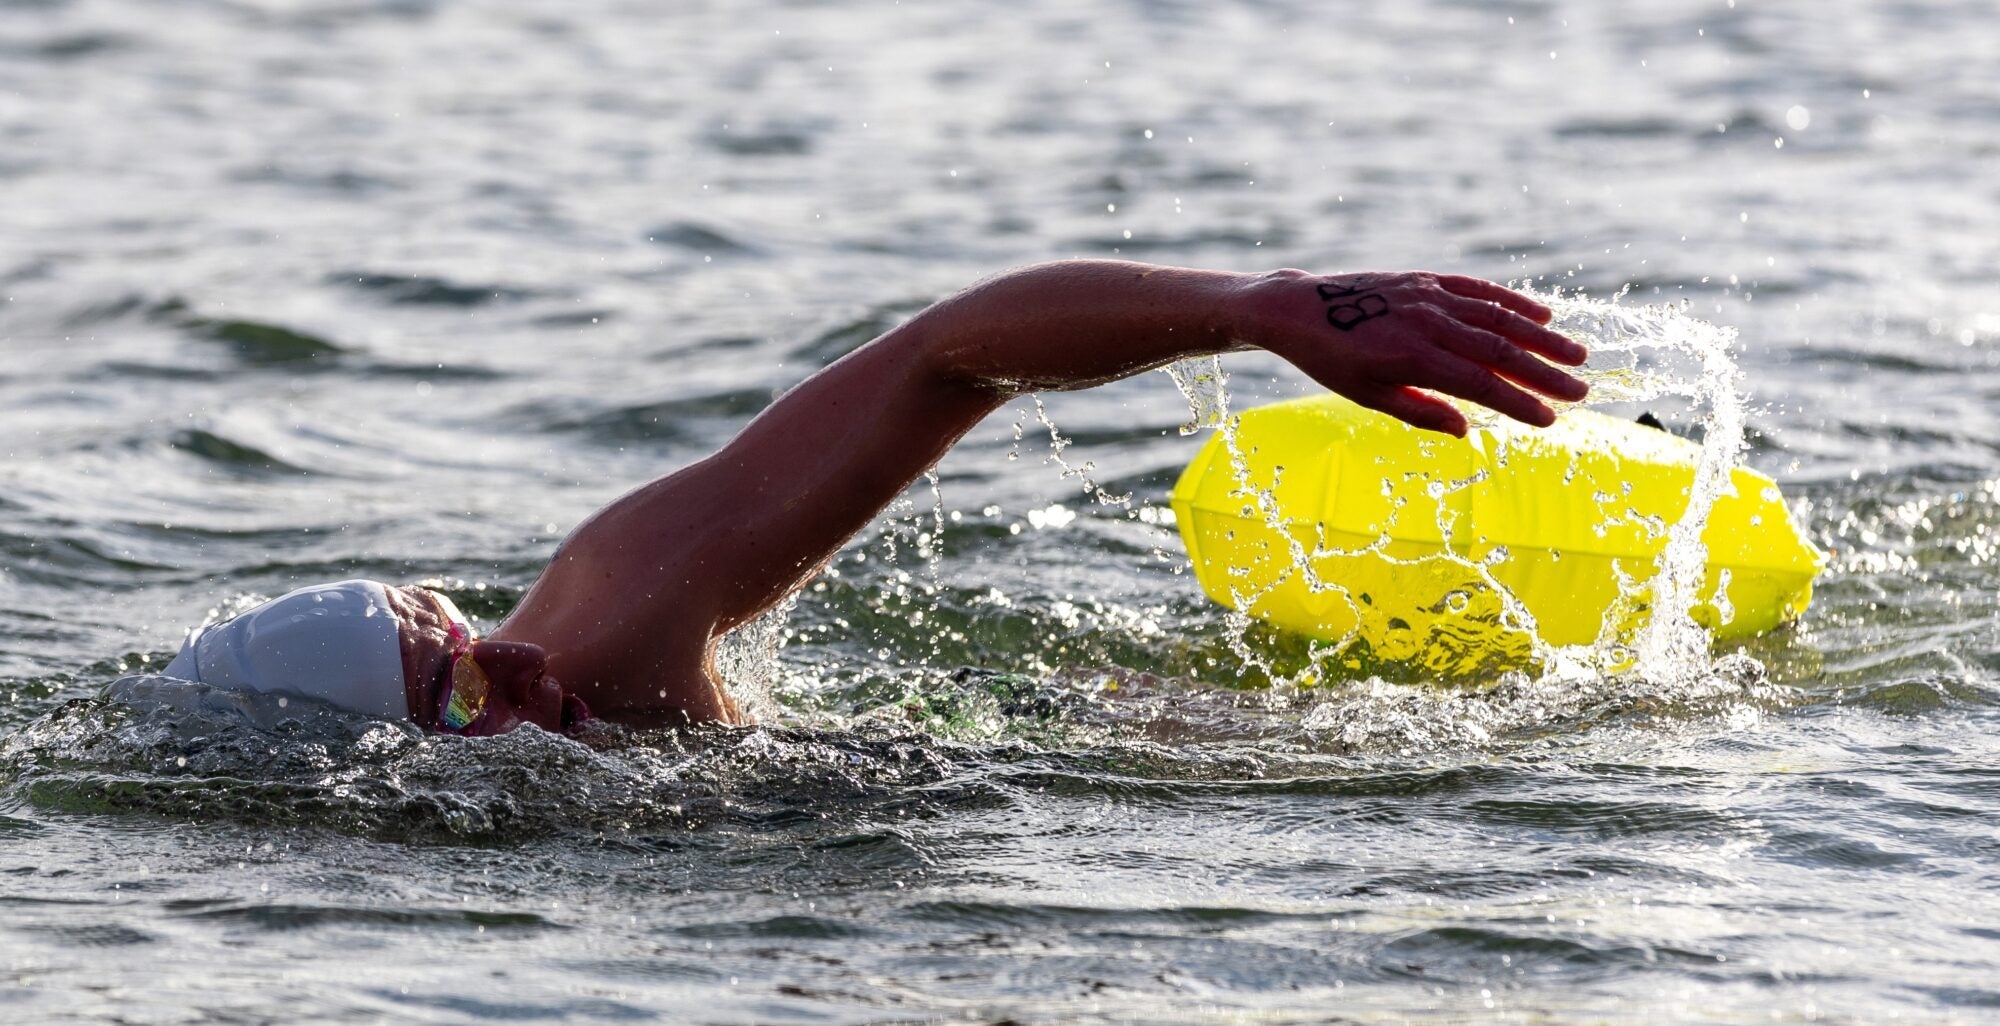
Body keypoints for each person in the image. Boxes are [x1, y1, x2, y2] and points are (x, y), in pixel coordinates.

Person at [160, 262, 1589, 734]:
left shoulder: (618, 617)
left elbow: (945, 357)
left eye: (468, 629)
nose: (519, 663)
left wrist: (1259, 310)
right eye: (463, 690)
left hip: (1070, 744)